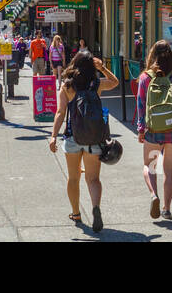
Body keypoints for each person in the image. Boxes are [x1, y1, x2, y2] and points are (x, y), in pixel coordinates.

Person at [49, 50, 119, 232]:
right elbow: (115, 82)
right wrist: (102, 68)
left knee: (73, 178)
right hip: (94, 139)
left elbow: (60, 113)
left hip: (72, 138)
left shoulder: (67, 86)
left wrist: (53, 136)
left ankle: (76, 213)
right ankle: (95, 208)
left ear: (75, 63)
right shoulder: (96, 84)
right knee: (93, 179)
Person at [135, 40, 172, 220]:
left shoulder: (146, 77)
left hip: (153, 129)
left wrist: (141, 129)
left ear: (152, 55)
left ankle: (154, 195)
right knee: (169, 169)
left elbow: (141, 105)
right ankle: (166, 209)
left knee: (149, 166)